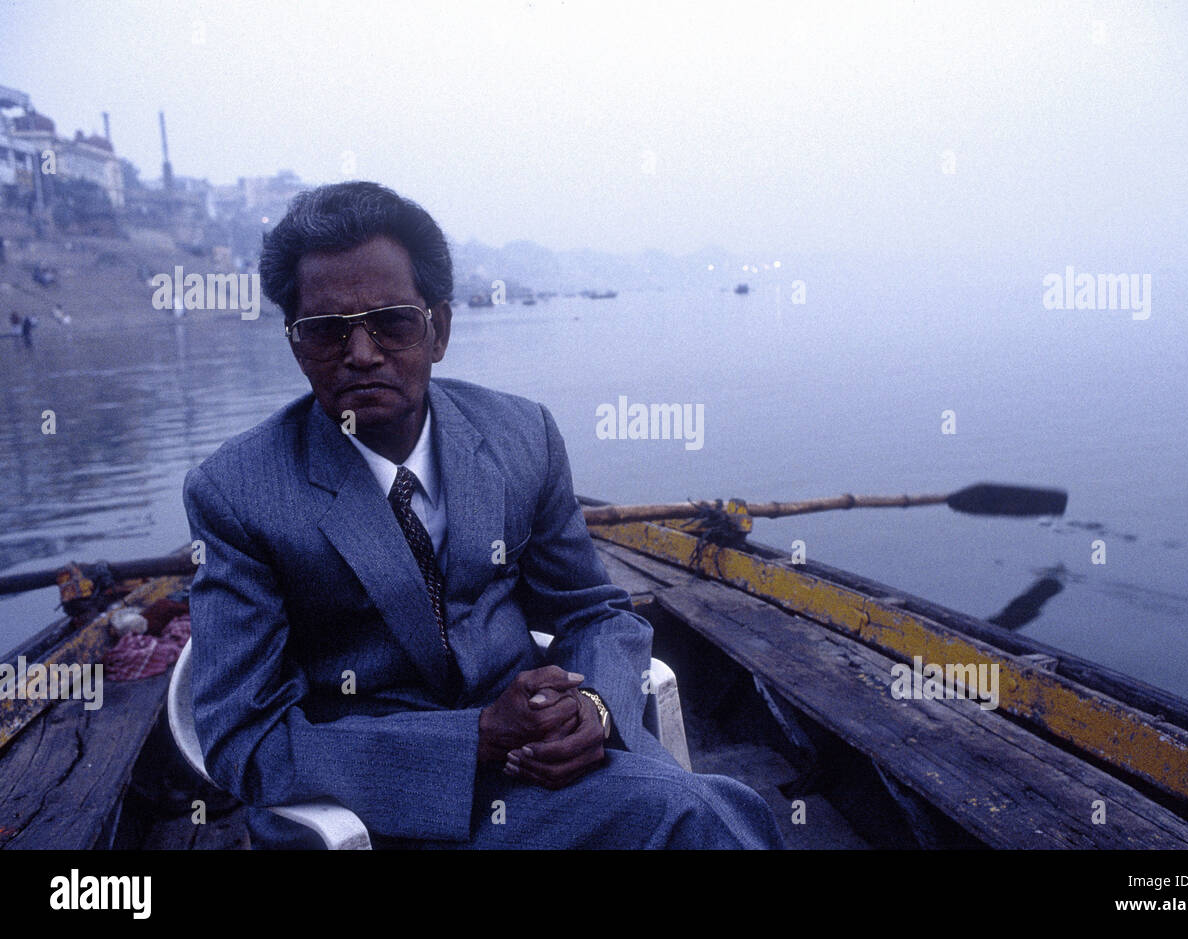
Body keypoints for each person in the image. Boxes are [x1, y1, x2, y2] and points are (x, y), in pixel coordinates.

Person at [182, 181, 783, 849]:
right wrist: (470, 741)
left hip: (557, 769)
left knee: (705, 812)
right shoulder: (238, 491)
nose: (361, 353)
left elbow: (593, 611)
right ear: (298, 346)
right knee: (703, 818)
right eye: (327, 331)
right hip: (389, 810)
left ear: (437, 329)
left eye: (392, 322)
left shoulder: (520, 435)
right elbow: (244, 736)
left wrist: (595, 707)